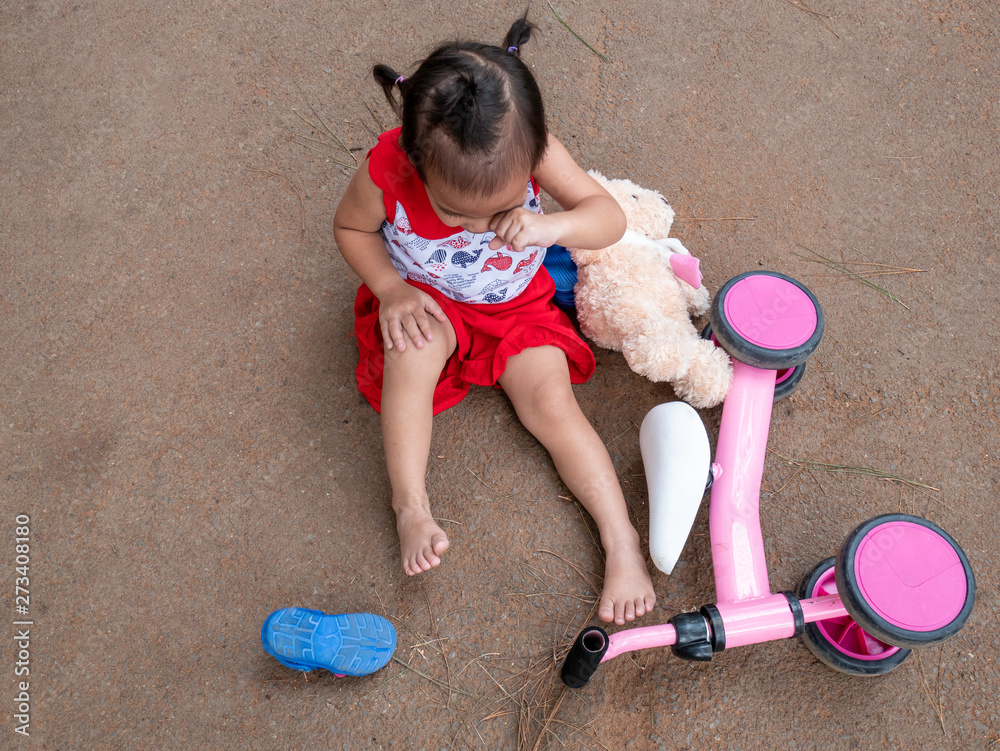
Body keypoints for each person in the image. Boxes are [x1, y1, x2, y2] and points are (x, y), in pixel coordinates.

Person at [332, 15, 655, 625]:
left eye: (500, 209)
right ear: (414, 160)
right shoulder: (386, 170)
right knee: (408, 359)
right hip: (429, 299)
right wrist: (389, 287)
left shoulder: (533, 149)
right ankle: (411, 506)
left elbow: (607, 219)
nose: (481, 227)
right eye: (457, 213)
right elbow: (350, 228)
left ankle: (621, 542)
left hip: (516, 305)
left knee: (552, 406)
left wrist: (552, 224)